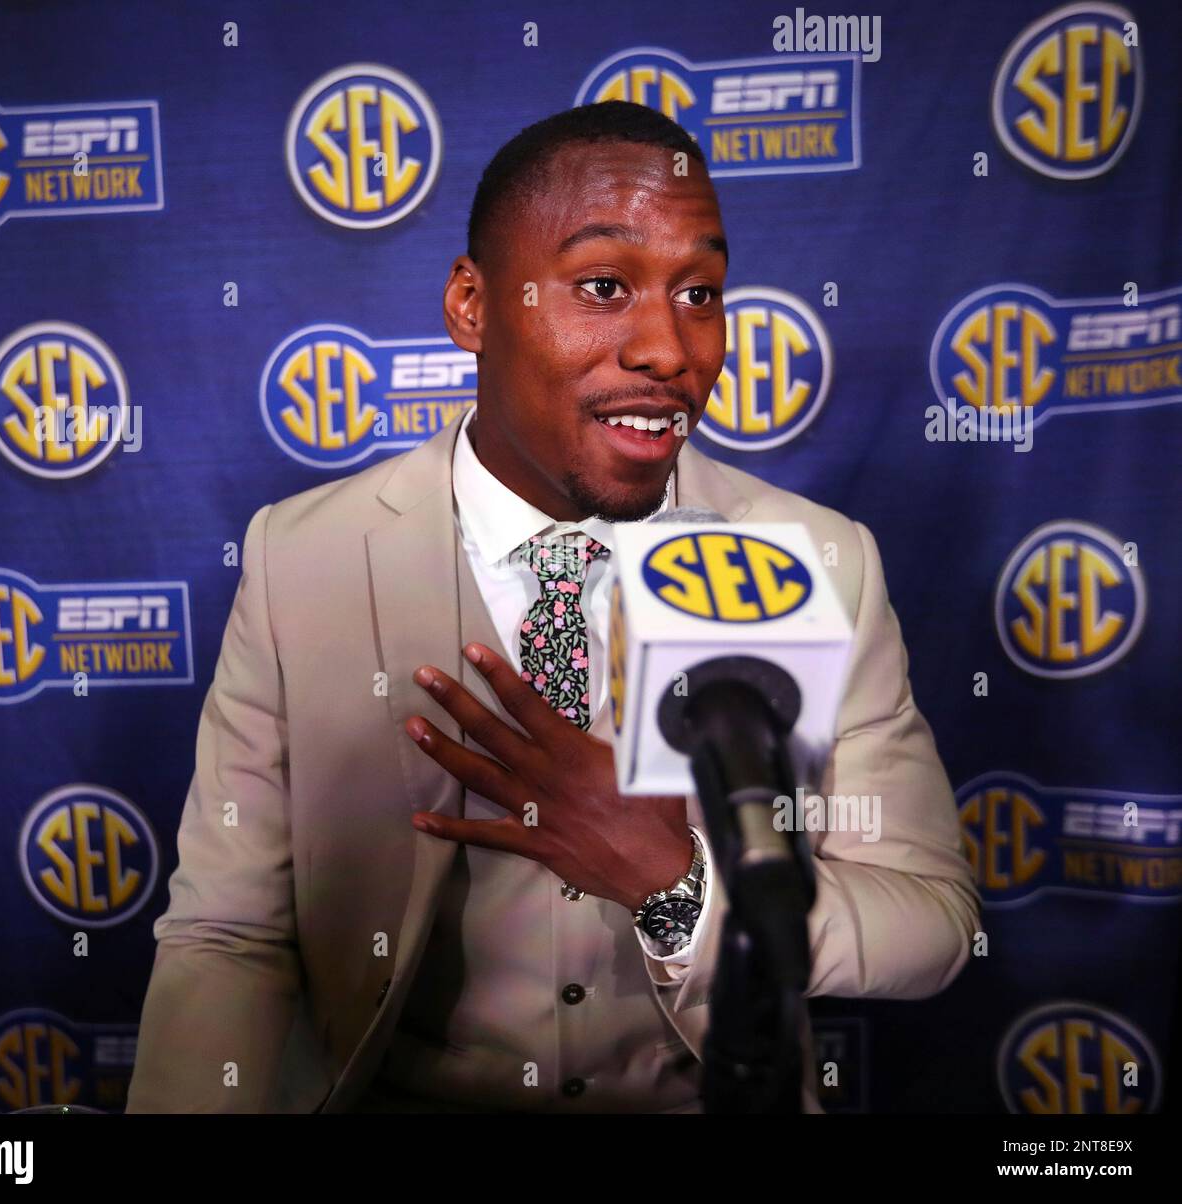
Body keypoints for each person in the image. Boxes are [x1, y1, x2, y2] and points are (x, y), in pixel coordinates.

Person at [125, 100, 979, 1114]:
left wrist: (681, 883)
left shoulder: (810, 561)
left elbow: (932, 921)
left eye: (701, 292)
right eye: (605, 286)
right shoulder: (302, 558)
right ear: (472, 306)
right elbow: (229, 934)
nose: (670, 348)